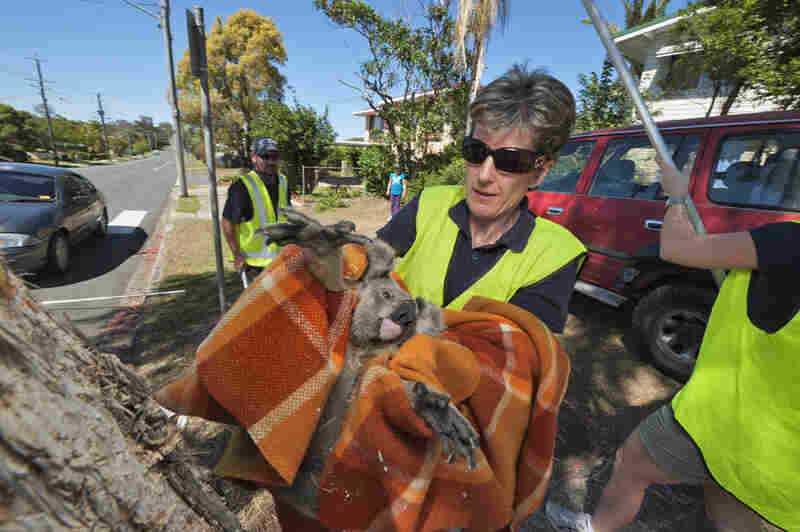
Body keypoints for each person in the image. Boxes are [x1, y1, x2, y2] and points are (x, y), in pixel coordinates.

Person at [546, 158, 800, 532]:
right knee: (731, 498)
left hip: (726, 418)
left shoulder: (787, 242)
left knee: (631, 463)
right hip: (785, 451)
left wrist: (678, 197)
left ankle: (595, 528)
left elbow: (677, 247)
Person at [376, 64, 586, 333]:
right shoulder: (429, 203)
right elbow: (366, 262)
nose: (484, 175)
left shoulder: (555, 255)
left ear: (540, 171)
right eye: (475, 151)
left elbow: (511, 356)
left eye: (510, 160)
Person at [221, 137, 291, 284]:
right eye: (265, 157)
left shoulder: (283, 181)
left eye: (275, 157)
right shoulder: (242, 186)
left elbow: (287, 214)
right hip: (255, 264)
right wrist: (236, 254)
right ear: (254, 157)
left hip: (281, 258)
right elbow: (227, 222)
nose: (271, 161)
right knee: (262, 304)